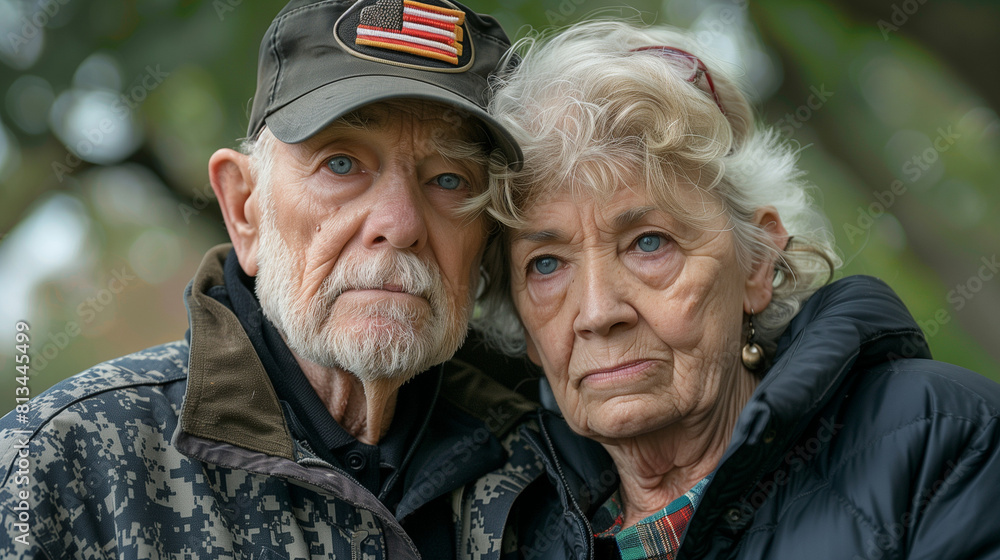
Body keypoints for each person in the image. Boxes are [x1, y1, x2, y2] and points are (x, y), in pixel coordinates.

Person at [0, 1, 541, 558]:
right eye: (340, 164)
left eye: (449, 178)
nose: (400, 225)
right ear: (244, 209)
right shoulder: (58, 468)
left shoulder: (548, 469)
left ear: (489, 240)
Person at [470, 21, 1000, 560]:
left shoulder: (948, 441)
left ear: (757, 264)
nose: (599, 311)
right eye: (547, 264)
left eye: (649, 242)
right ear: (523, 325)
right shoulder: (498, 529)